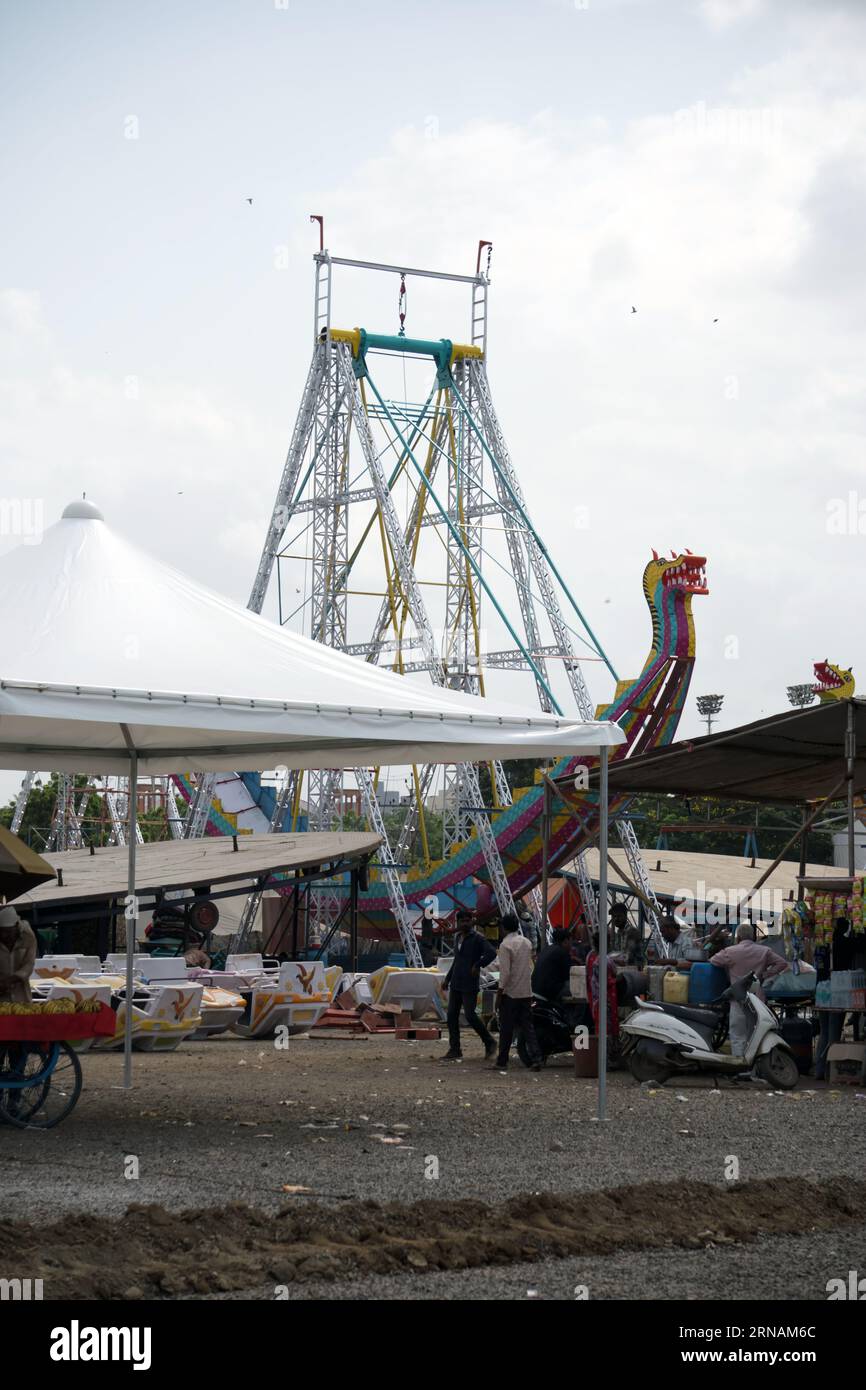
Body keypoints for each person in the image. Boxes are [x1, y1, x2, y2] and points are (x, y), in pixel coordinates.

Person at [710, 923, 788, 1063]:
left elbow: (713, 960)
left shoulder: (730, 951)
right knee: (755, 1035)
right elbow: (782, 963)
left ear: (738, 937)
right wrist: (765, 974)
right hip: (757, 1000)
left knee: (737, 1035)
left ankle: (740, 1067)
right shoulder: (764, 951)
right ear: (752, 936)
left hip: (737, 999)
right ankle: (754, 1069)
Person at [441, 912, 496, 1061]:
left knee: (471, 1015)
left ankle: (489, 1042)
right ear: (458, 922)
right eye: (463, 921)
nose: (466, 923)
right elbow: (457, 961)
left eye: (468, 921)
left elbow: (491, 953)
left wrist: (478, 965)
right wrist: (447, 979)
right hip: (457, 982)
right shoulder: (458, 937)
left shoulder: (478, 938)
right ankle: (455, 1049)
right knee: (451, 1015)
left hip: (469, 983)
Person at [494, 914, 541, 1072]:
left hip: (511, 993)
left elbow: (505, 973)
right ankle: (536, 1058)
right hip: (526, 991)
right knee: (528, 1027)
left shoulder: (505, 945)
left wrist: (499, 994)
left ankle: (502, 1061)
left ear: (504, 928)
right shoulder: (526, 943)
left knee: (506, 1029)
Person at [0, 904, 38, 1003]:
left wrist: (12, 980)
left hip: (22, 997)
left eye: (8, 932)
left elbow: (29, 964)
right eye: (1, 932)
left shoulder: (28, 936)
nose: (4, 936)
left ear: (17, 926)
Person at [585, 931, 620, 1039]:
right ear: (606, 943)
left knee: (599, 1024)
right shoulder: (606, 959)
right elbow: (614, 974)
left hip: (594, 997)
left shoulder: (590, 956)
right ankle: (608, 1052)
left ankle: (599, 1050)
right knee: (609, 1026)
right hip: (607, 997)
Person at [532, 928, 573, 1001]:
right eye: (570, 941)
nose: (571, 944)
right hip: (548, 991)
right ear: (566, 941)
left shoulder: (547, 949)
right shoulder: (563, 953)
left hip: (534, 988)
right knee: (577, 991)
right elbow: (568, 976)